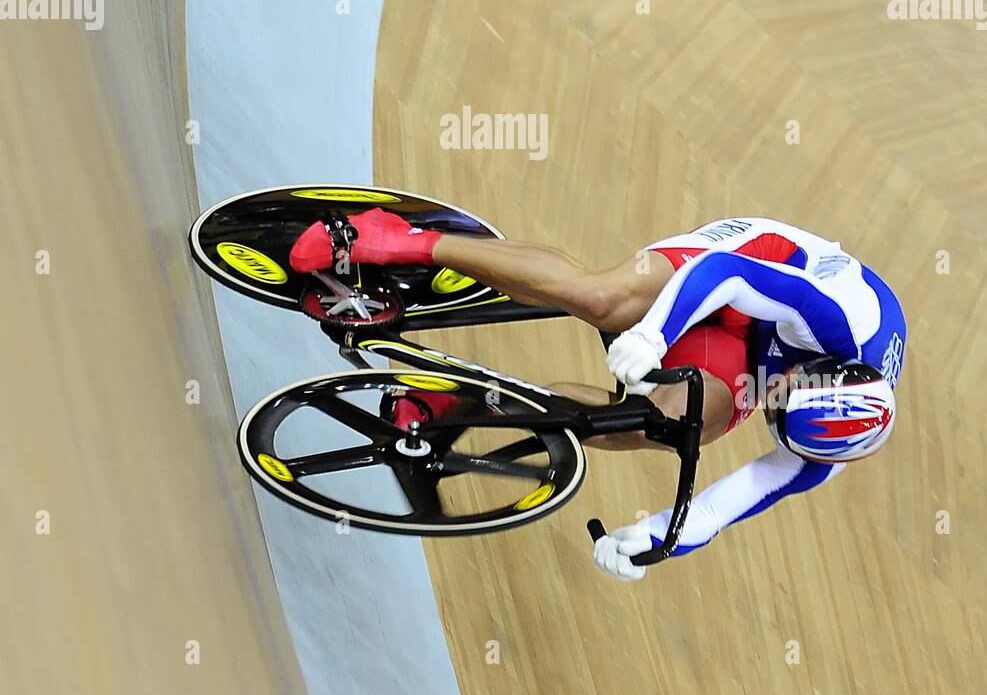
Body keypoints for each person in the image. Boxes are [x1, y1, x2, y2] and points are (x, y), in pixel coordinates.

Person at [288, 209, 905, 582]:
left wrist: (658, 537)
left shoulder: (826, 447)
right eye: (780, 396)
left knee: (660, 424)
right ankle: (394, 237)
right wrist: (653, 334)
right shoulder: (838, 319)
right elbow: (729, 276)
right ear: (826, 371)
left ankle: (458, 400)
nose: (766, 405)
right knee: (604, 300)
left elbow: (731, 502)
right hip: (752, 263)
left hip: (757, 343)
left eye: (771, 416)